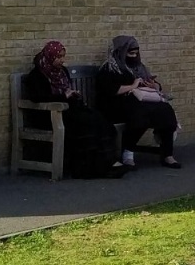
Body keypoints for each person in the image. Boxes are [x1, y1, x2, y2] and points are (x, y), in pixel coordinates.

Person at [23, 41, 128, 178]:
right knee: (86, 123)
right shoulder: (37, 75)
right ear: (50, 56)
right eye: (59, 57)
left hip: (69, 110)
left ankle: (107, 163)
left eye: (63, 56)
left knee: (100, 120)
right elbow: (38, 97)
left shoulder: (62, 71)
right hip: (50, 115)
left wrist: (71, 94)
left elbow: (65, 92)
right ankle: (87, 169)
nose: (62, 60)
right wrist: (63, 96)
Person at [96, 34, 181, 168]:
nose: (134, 56)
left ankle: (167, 154)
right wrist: (133, 86)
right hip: (115, 105)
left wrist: (153, 85)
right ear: (121, 52)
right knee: (141, 113)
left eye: (136, 53)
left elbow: (154, 84)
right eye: (130, 53)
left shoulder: (139, 67)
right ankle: (128, 152)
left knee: (165, 110)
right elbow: (111, 90)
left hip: (139, 102)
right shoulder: (110, 68)